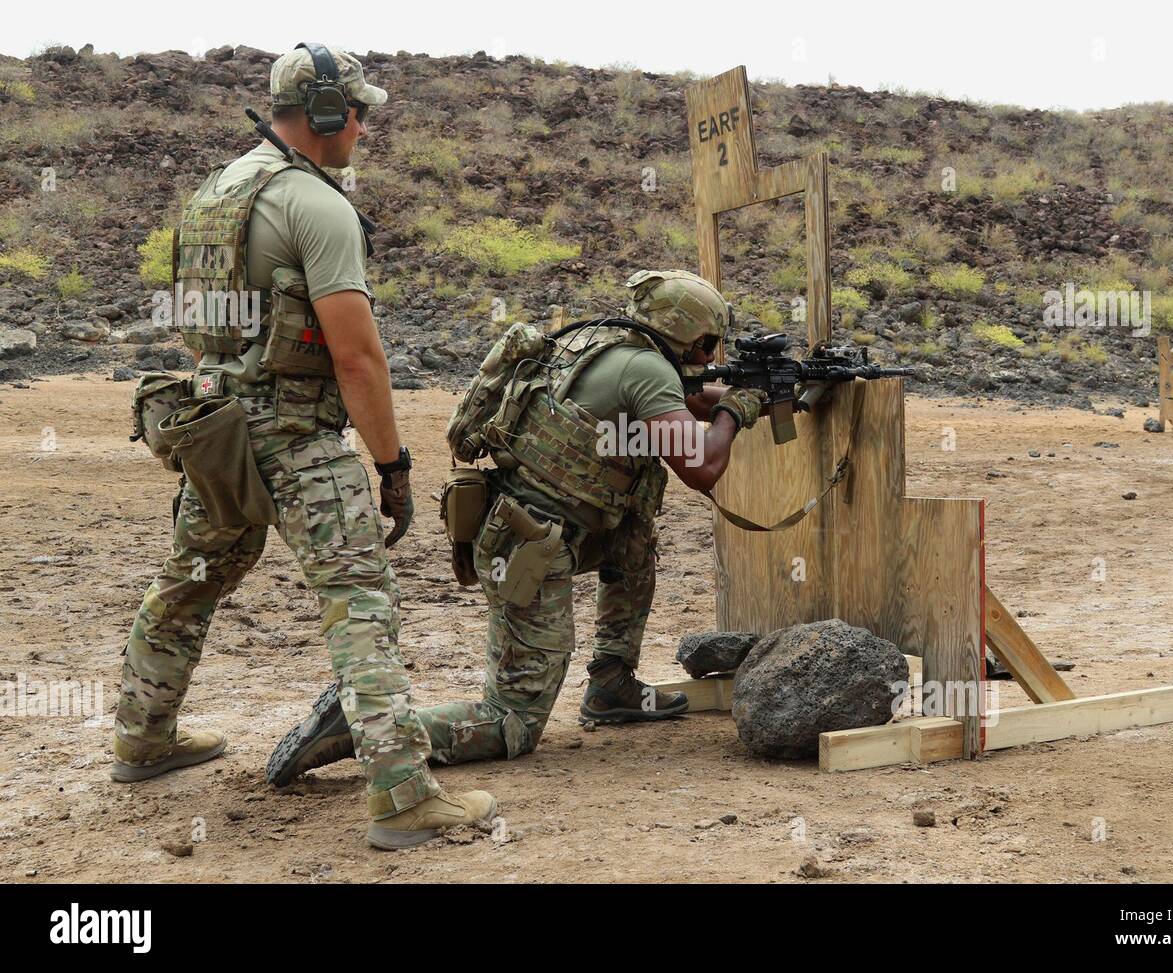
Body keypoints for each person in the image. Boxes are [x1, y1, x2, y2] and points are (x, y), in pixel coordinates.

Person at [110, 42, 494, 851]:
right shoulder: (316, 207)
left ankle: (142, 737)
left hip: (217, 428)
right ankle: (402, 795)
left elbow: (197, 327)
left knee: (189, 580)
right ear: (325, 114)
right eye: (357, 112)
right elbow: (357, 357)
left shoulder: (216, 193)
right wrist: (392, 464)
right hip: (296, 439)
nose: (363, 128)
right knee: (359, 601)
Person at [267, 269, 767, 784]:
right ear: (684, 332)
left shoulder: (595, 344)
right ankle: (372, 727)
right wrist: (734, 410)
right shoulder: (648, 371)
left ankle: (611, 683)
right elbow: (701, 466)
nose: (710, 356)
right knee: (513, 723)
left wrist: (746, 396)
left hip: (529, 522)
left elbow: (677, 403)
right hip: (532, 548)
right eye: (708, 343)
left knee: (634, 538)